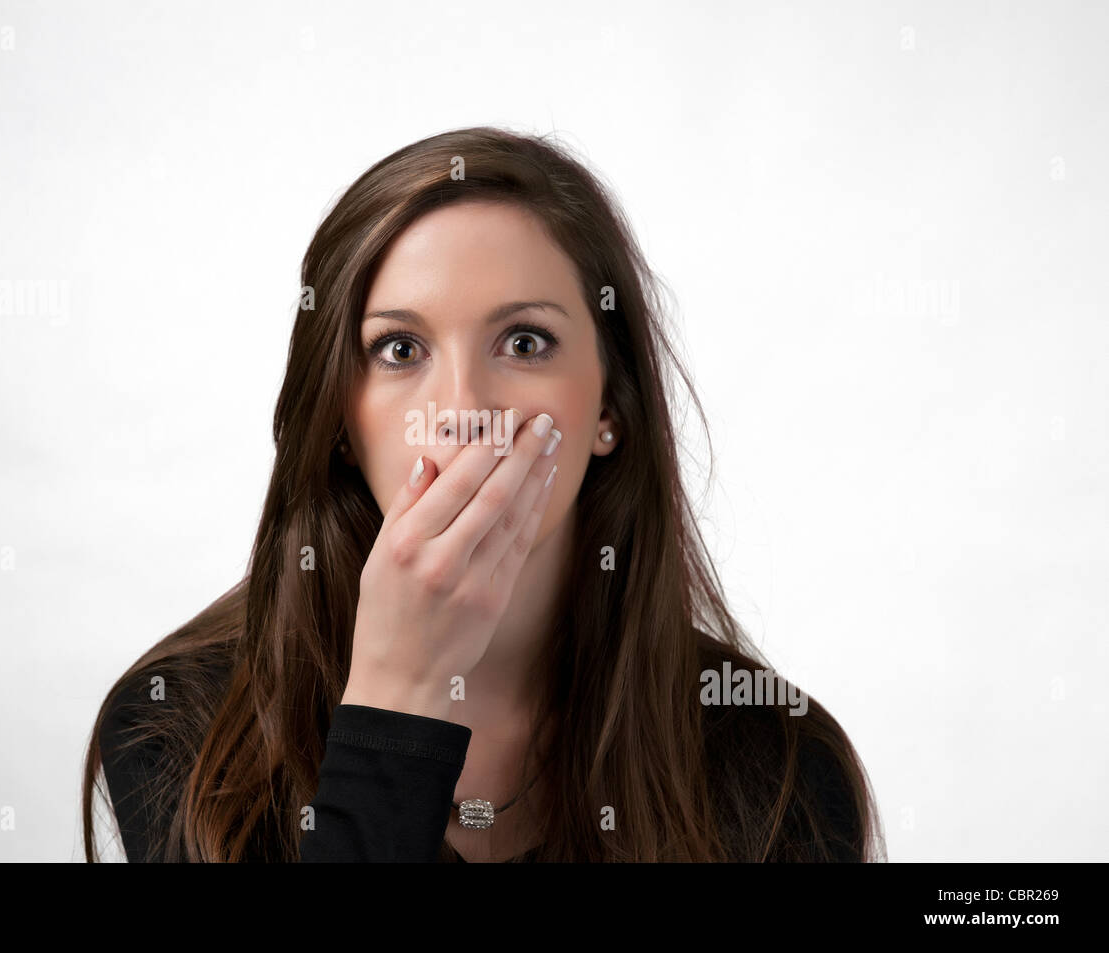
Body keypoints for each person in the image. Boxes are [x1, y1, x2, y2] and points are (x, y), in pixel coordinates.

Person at [81, 125, 885, 863]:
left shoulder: (779, 768)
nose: (462, 412)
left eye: (525, 342)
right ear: (338, 420)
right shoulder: (182, 727)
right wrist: (396, 704)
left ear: (609, 407)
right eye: (400, 349)